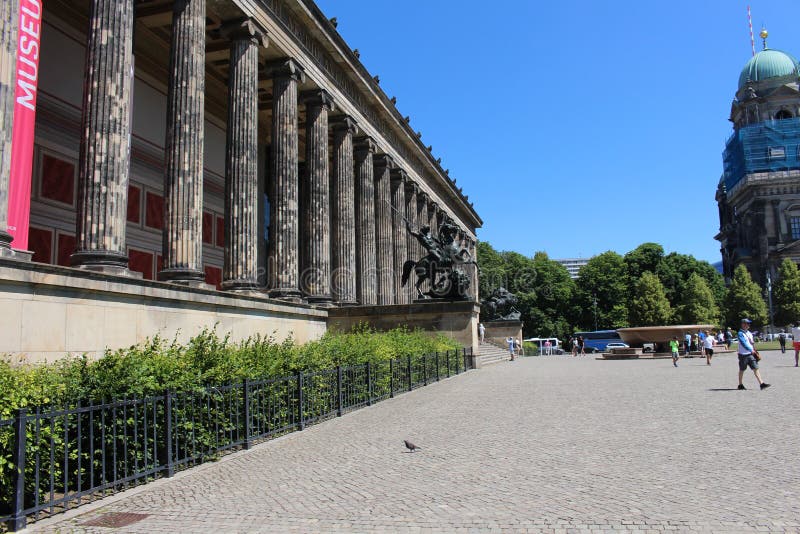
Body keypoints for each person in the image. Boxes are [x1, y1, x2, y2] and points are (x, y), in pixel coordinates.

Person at [737, 319, 770, 390]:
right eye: (746, 324)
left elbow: (750, 343)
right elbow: (743, 343)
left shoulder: (749, 332)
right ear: (742, 324)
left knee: (755, 368)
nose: (748, 325)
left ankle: (762, 384)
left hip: (750, 354)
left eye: (749, 324)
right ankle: (740, 384)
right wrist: (750, 349)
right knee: (742, 369)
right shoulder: (740, 333)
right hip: (743, 354)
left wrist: (753, 349)